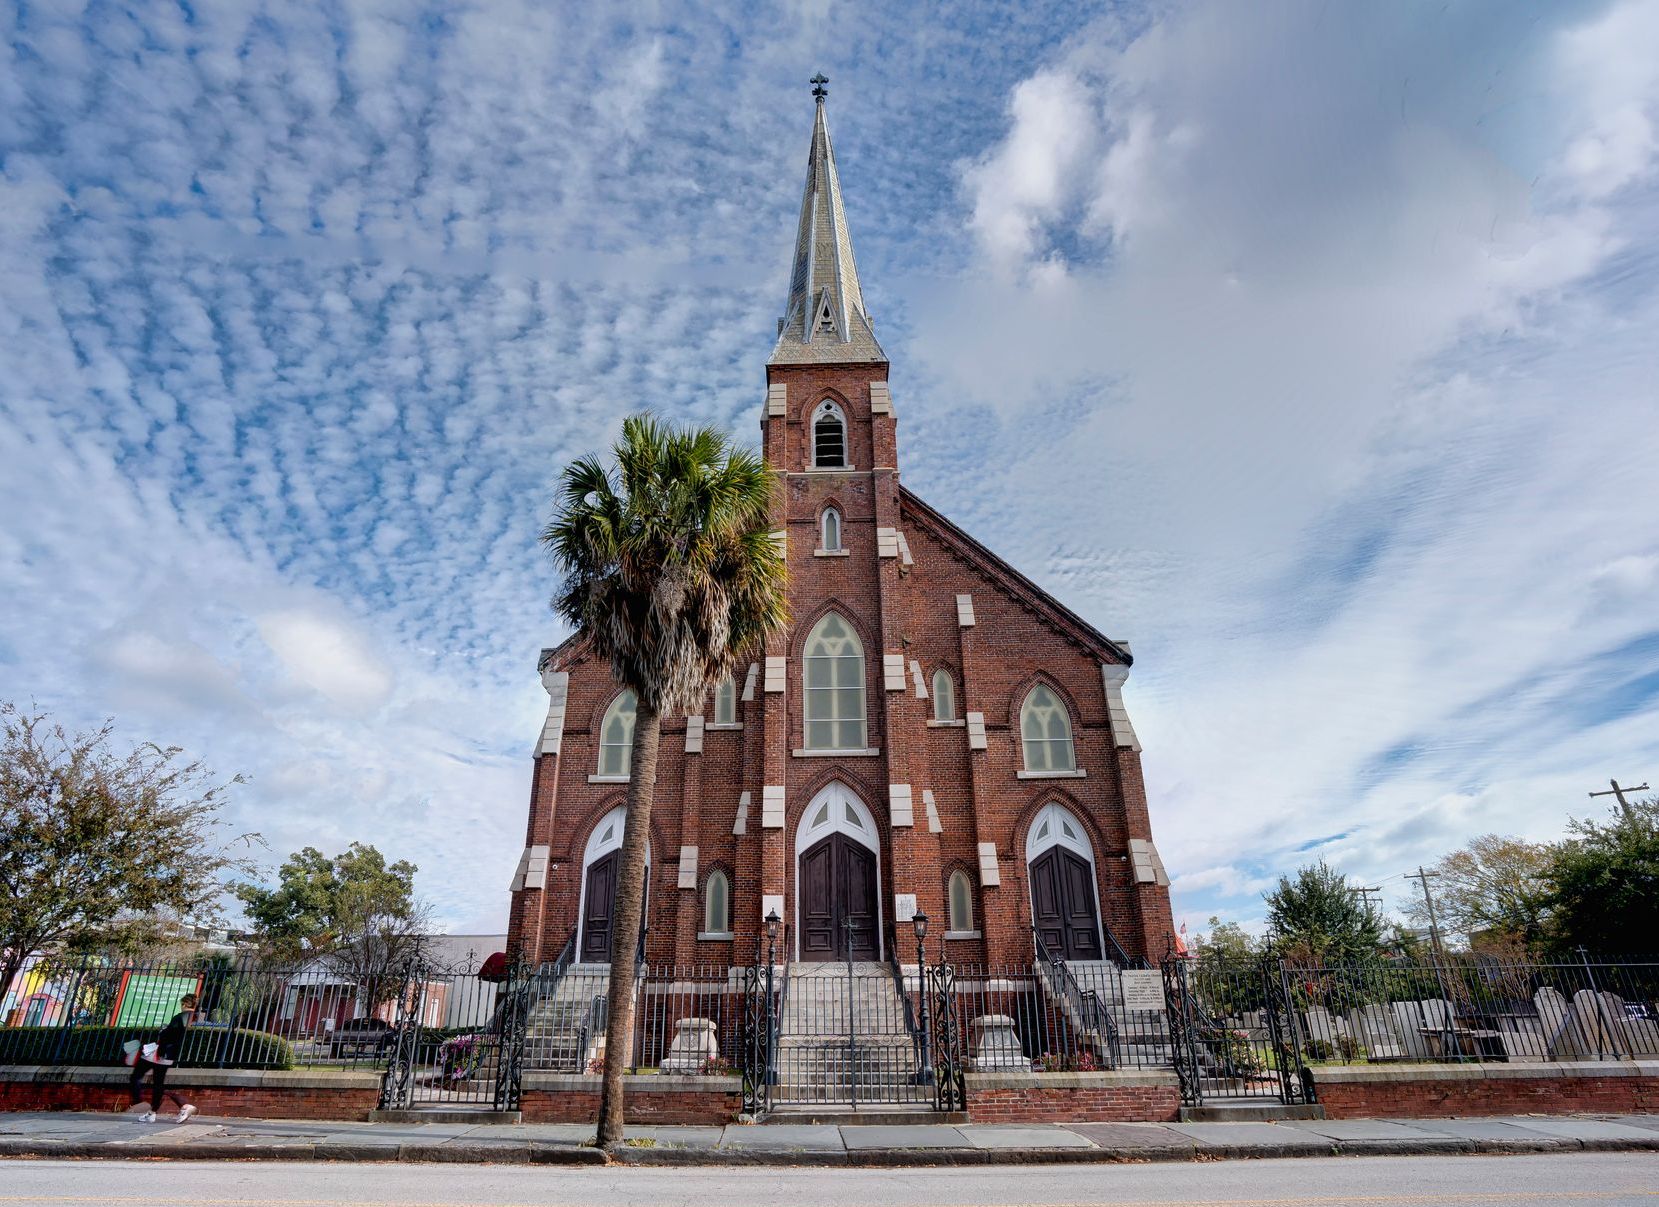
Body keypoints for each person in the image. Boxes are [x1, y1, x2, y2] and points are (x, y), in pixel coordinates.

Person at [129, 993, 199, 1123]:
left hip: (160, 1054)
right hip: (169, 1055)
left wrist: (164, 1031)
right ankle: (155, 1111)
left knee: (137, 1076)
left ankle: (144, 1106)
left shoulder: (181, 1017)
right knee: (158, 1083)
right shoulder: (193, 1017)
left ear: (184, 1004)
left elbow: (170, 1035)